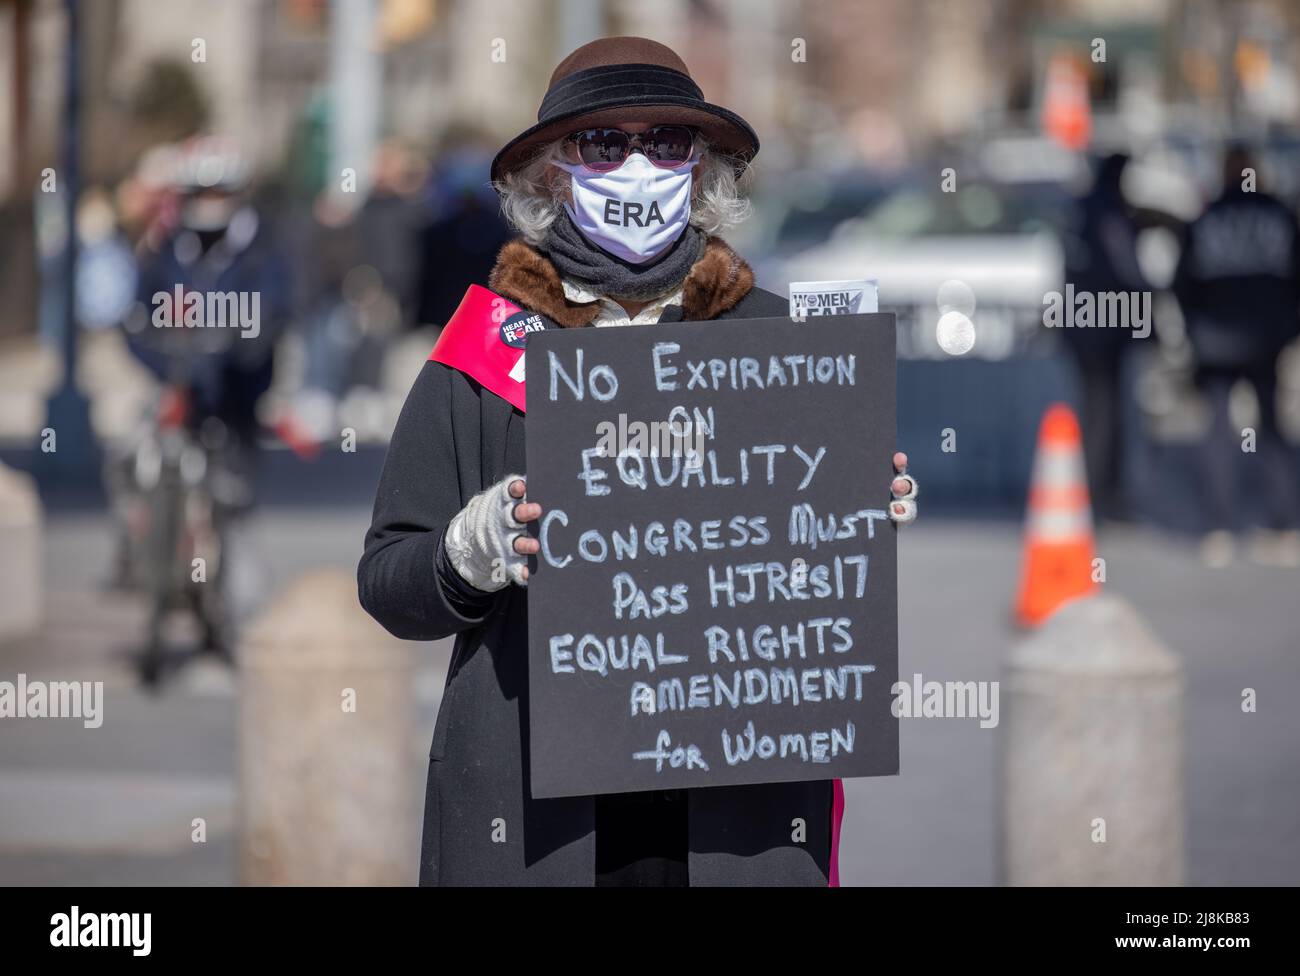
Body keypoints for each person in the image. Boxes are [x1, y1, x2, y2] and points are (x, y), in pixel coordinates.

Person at [358, 37, 918, 887]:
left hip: (737, 821)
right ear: (551, 174)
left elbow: (815, 585)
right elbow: (388, 580)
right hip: (540, 819)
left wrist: (854, 508)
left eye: (665, 141)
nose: (636, 164)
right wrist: (467, 555)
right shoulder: (479, 352)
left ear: (700, 170)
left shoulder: (780, 344)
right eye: (601, 142)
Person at [1172, 146, 1300, 567]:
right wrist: (1286, 330)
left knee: (1219, 430)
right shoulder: (1277, 214)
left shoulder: (1209, 217)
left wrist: (1196, 329)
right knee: (1273, 426)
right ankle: (1282, 526)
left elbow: (1183, 282)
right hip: (1265, 339)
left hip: (1216, 340)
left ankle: (1220, 528)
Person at [1061, 153, 1152, 522]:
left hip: (1082, 325)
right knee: (1106, 413)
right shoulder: (1111, 211)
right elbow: (1126, 266)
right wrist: (1151, 302)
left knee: (1095, 410)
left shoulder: (1080, 209)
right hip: (1106, 327)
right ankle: (1102, 496)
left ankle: (1095, 493)